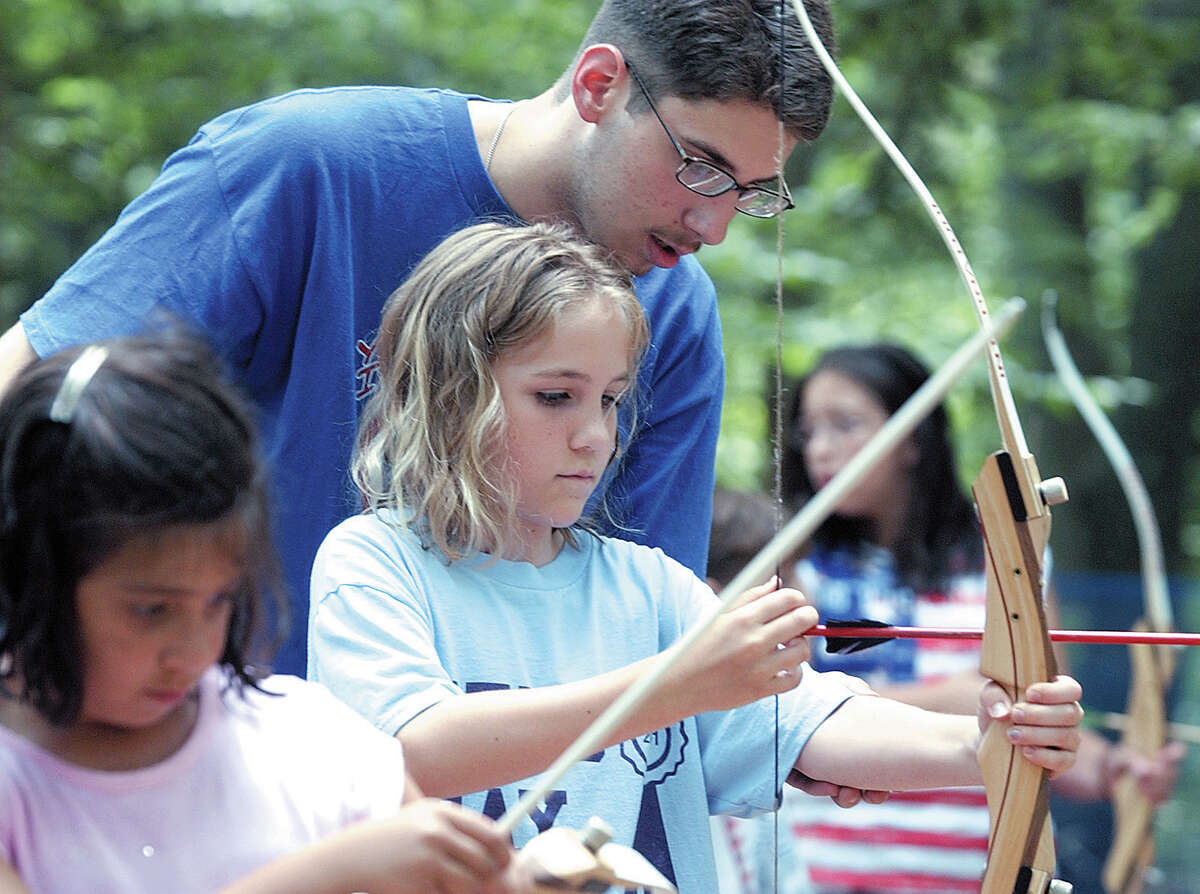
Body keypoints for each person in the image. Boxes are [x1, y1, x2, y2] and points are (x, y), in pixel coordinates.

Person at [0, 0, 842, 676]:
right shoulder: (309, 165)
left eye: (752, 192)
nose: (714, 226)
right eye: (700, 165)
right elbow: (35, 392)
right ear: (598, 85)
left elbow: (651, 642)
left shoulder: (677, 311)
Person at [307, 221, 1085, 894]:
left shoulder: (649, 588)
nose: (595, 435)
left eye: (611, 399)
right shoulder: (375, 562)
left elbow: (817, 724)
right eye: (555, 396)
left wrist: (994, 743)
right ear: (450, 394)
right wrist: (676, 684)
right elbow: (410, 749)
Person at [0, 333, 520, 894]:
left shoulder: (312, 740)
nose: (194, 652)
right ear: (34, 576)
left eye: (220, 600)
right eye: (152, 610)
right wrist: (331, 870)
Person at [709, 343, 1184, 894]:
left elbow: (1036, 718)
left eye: (845, 424)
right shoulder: (788, 556)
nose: (819, 448)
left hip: (971, 874)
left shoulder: (1004, 551)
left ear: (913, 437)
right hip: (816, 873)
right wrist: (959, 697)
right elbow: (761, 709)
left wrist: (1114, 770)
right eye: (808, 431)